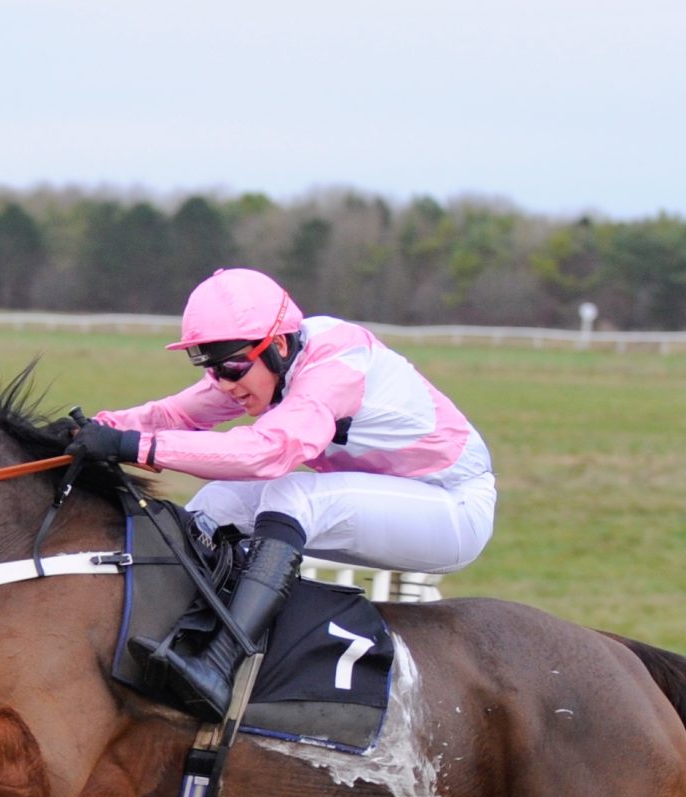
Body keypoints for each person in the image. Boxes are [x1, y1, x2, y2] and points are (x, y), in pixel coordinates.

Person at [64, 267, 497, 718]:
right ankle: (175, 632)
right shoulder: (265, 362)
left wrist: (133, 448)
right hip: (392, 497)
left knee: (292, 496)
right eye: (211, 368)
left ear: (279, 346)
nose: (224, 382)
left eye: (232, 367)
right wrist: (98, 428)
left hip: (453, 509)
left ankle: (220, 663)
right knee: (218, 501)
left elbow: (268, 453)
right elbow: (175, 414)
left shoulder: (336, 366)